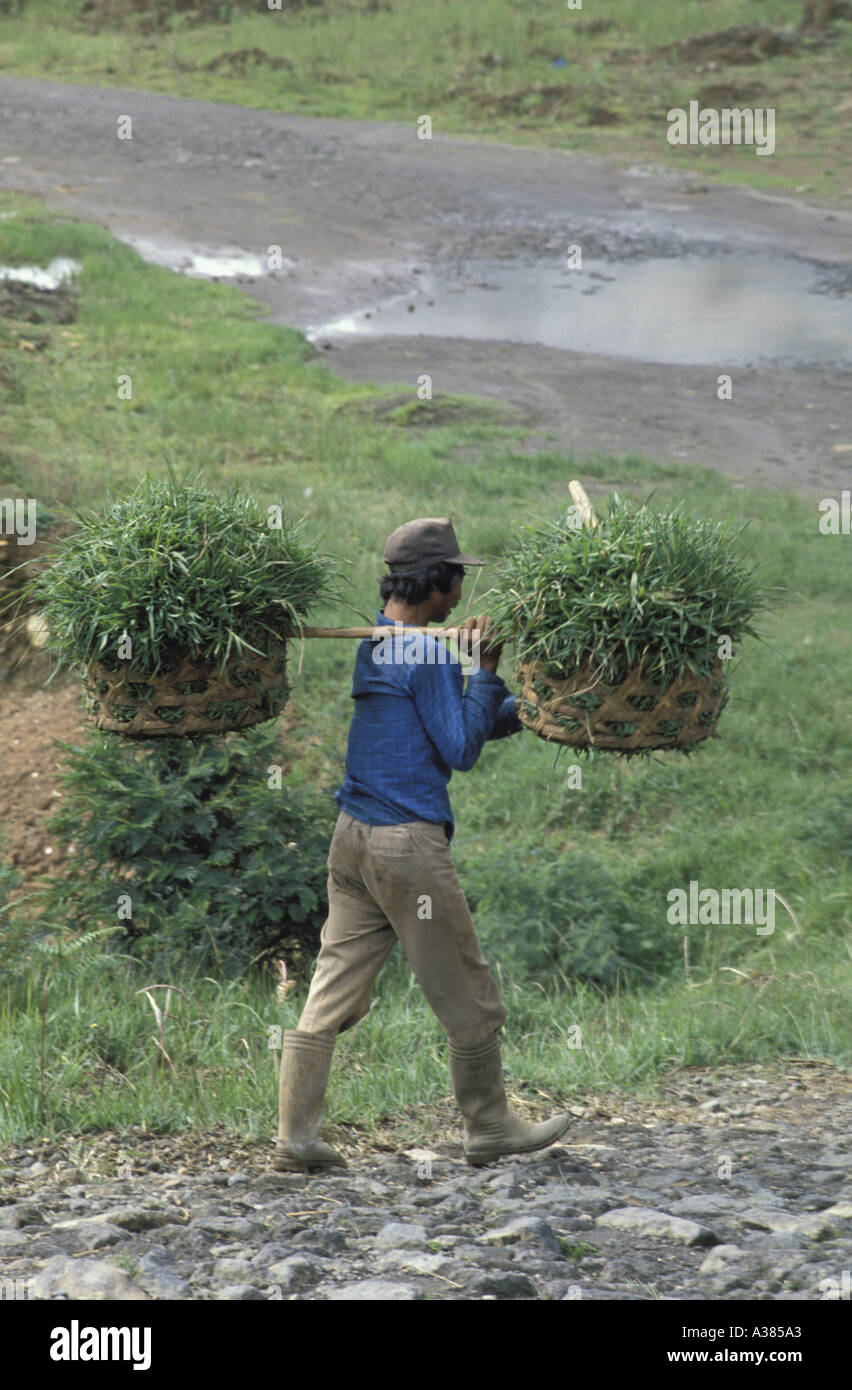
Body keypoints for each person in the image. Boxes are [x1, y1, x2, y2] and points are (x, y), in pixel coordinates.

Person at [275, 517, 570, 1170]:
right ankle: (488, 1126)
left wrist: (529, 708)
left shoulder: (379, 643)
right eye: (458, 576)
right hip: (405, 848)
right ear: (437, 583)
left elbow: (444, 728)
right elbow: (460, 750)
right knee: (467, 991)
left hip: (351, 841)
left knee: (333, 984)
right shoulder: (430, 653)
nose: (462, 588)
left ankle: (295, 1137)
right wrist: (485, 670)